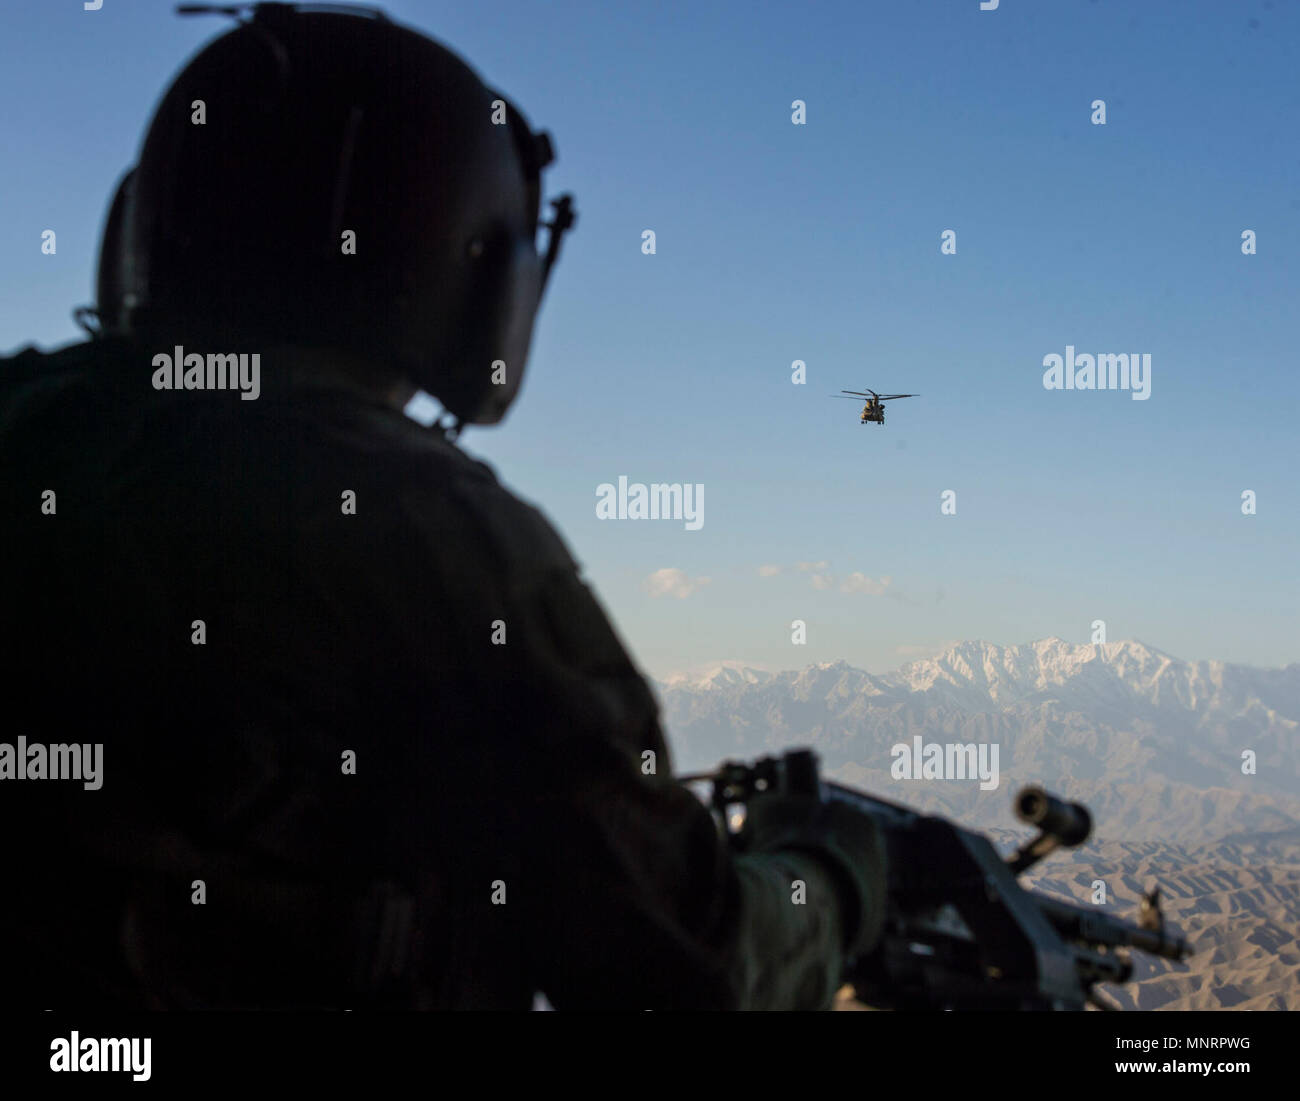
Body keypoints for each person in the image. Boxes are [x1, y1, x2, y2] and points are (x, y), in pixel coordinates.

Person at [0, 3, 886, 1010]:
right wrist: (834, 879)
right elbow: (681, 962)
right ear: (475, 271)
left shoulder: (25, 422)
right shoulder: (416, 526)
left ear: (144, 225)